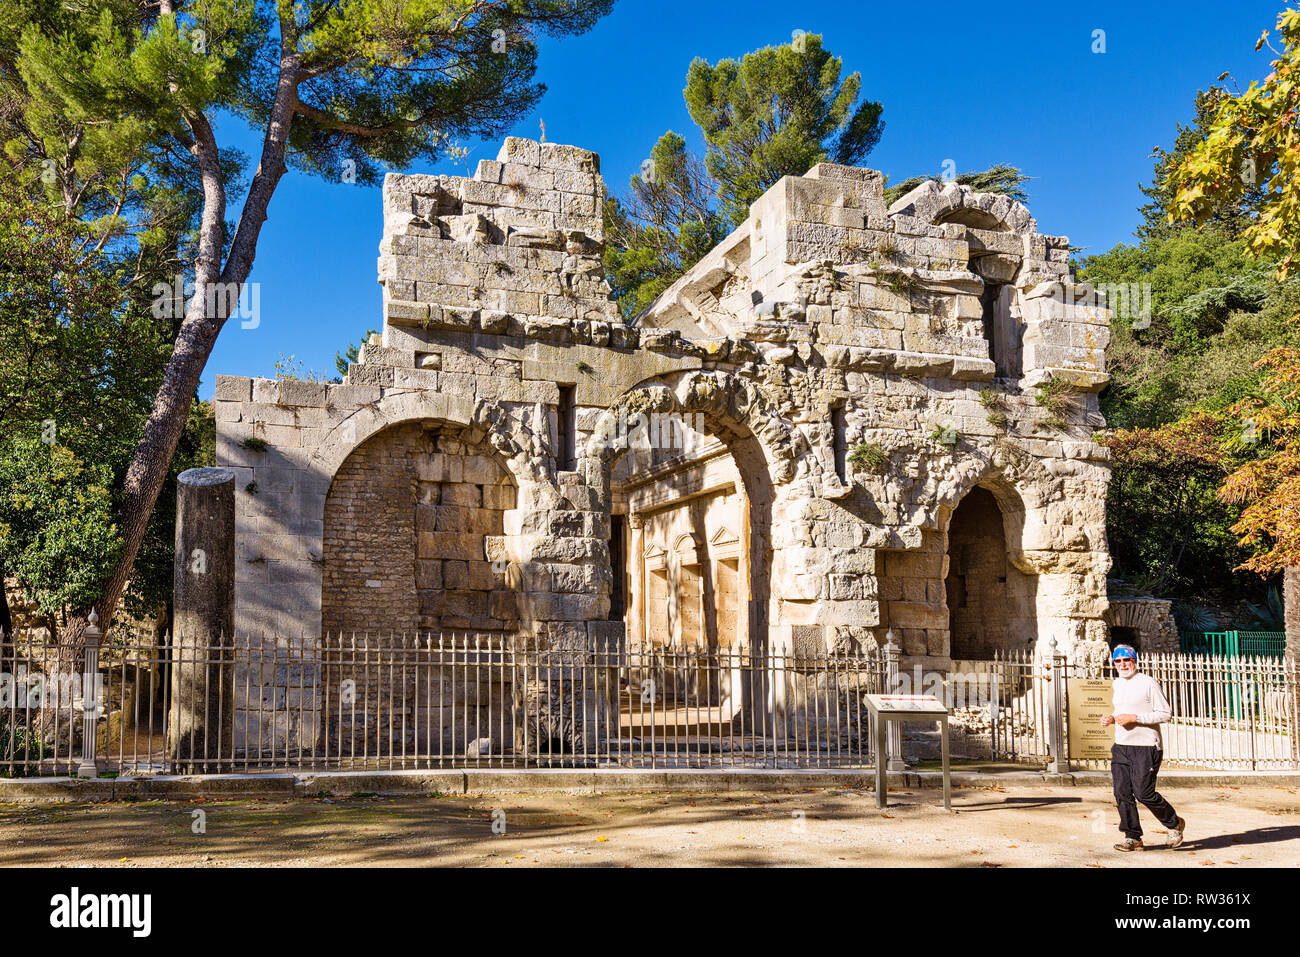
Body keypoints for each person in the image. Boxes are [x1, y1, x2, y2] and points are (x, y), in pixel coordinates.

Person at [1100, 645, 1185, 851]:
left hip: (1146, 745)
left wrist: (1135, 718)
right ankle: (1132, 837)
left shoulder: (1148, 682)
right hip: (1121, 745)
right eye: (1118, 661)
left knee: (1143, 792)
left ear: (1134, 661)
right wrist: (1112, 718)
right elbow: (1122, 710)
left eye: (1126, 660)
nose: (1123, 665)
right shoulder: (1117, 684)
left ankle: (1174, 824)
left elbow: (1165, 714)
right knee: (1121, 792)